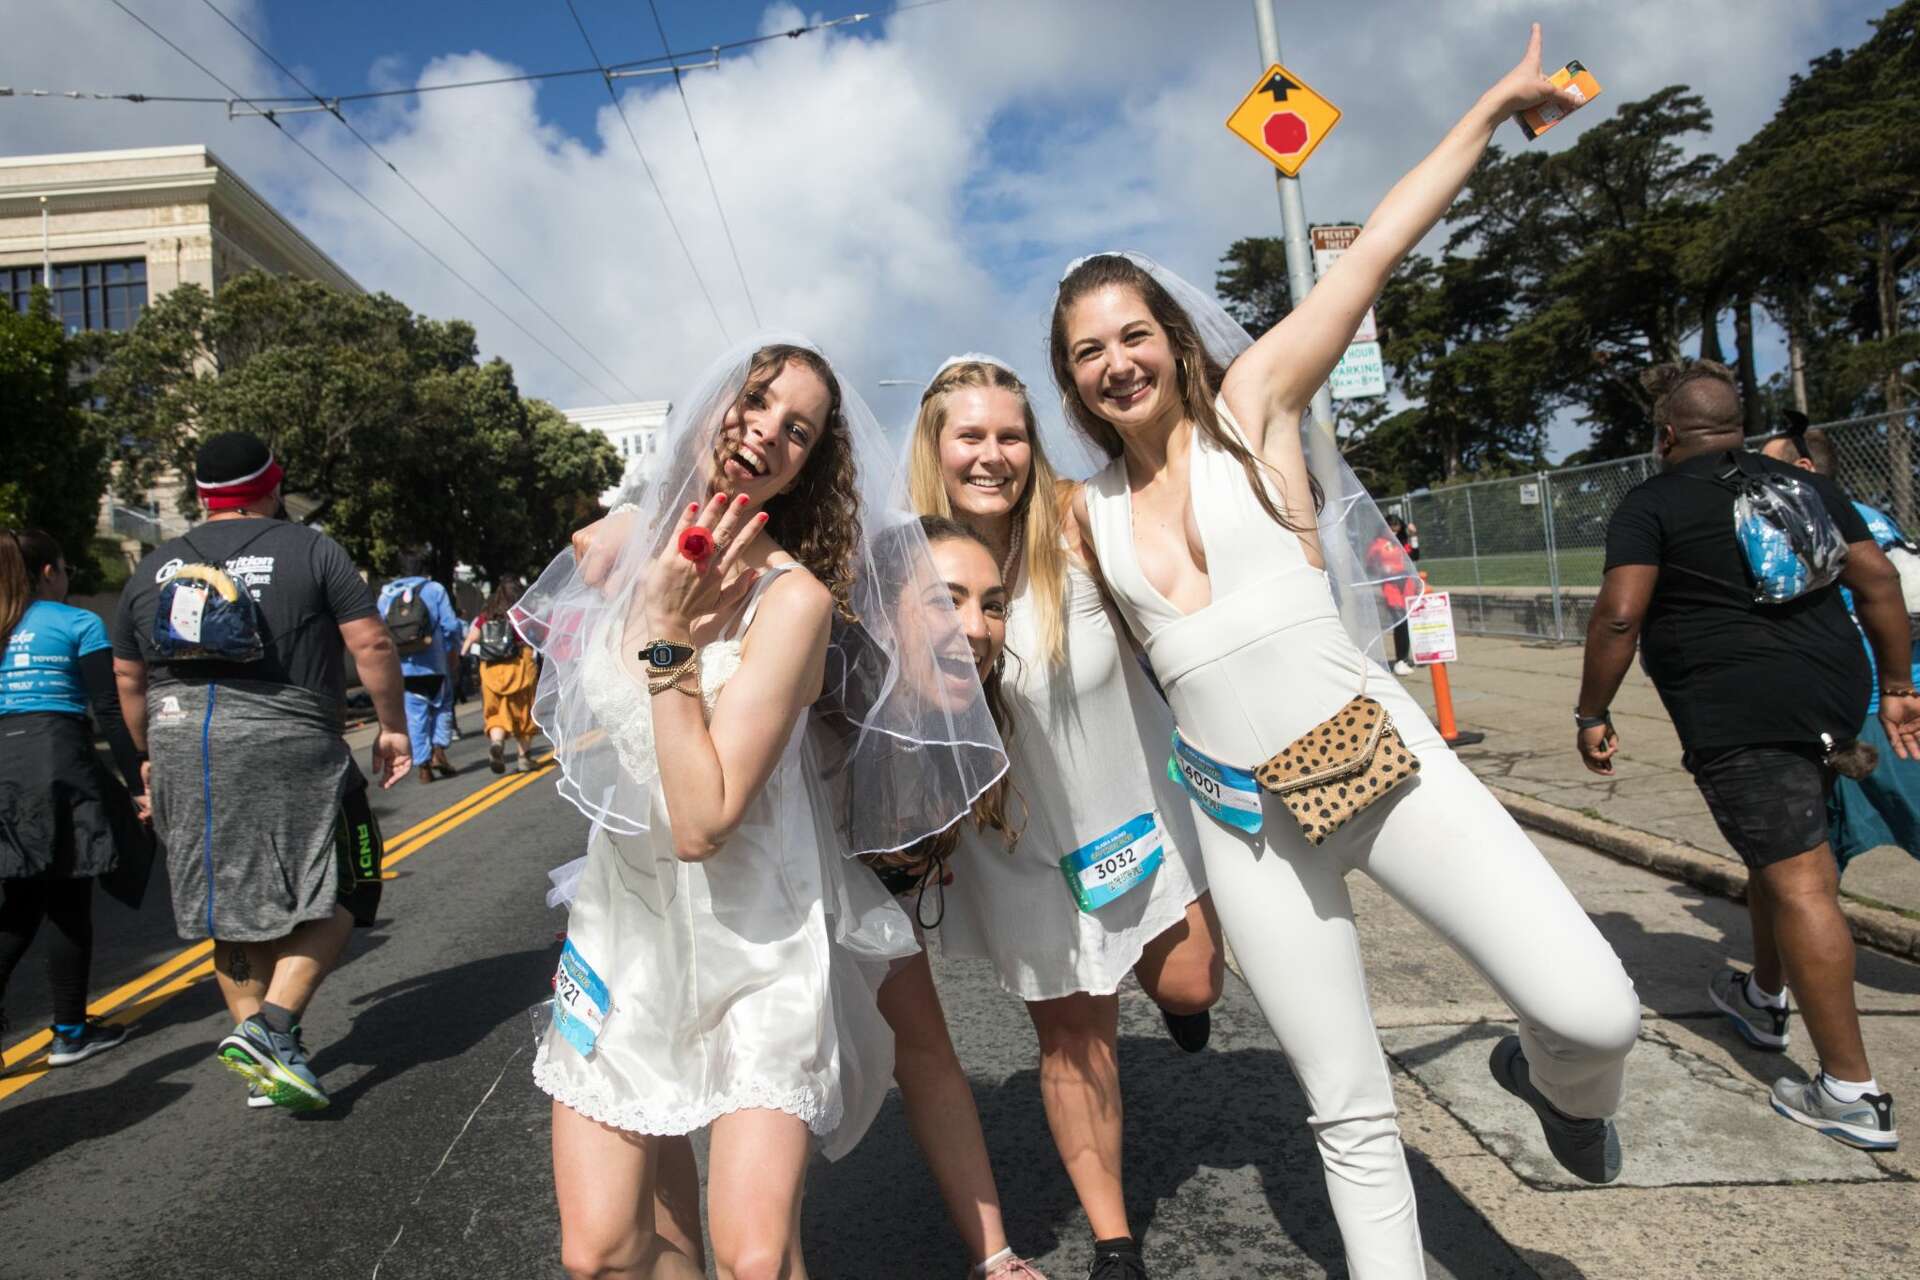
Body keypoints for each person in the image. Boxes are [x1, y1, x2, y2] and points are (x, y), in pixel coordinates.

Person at [1053, 29, 1641, 1276]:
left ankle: (1561, 1088)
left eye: (1130, 334)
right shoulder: (1081, 515)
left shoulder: (1252, 406)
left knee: (1596, 1007)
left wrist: (1488, 109)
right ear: (1072, 380)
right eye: (1086, 351)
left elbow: (1373, 247)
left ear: (1168, 334)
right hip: (1245, 820)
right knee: (1349, 1106)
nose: (1115, 362)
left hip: (1379, 756)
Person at [521, 339, 1005, 1280]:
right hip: (624, 932)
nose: (766, 434)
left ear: (809, 464)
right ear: (707, 408)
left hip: (760, 941)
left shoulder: (794, 601)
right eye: (753, 403)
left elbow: (705, 822)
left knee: (753, 1258)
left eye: (799, 430)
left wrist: (668, 645)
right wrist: (629, 537)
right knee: (596, 1251)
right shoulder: (623, 552)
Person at [909, 355, 1222, 1280]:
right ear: (937, 447)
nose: (994, 455)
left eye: (1011, 435)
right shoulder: (904, 564)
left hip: (1132, 814)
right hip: (1015, 845)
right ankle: (1115, 1240)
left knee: (1193, 987)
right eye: (971, 435)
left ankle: (1175, 993)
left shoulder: (1079, 524)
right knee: (1074, 1039)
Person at [1581, 369, 1908, 1152]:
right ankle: (1763, 996)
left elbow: (1620, 616)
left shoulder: (1651, 502)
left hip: (1738, 708)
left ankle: (1850, 1092)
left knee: (1801, 875)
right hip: (1831, 690)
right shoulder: (1803, 484)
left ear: (1666, 434)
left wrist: (1592, 709)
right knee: (1782, 850)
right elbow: (1879, 579)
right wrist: (1897, 684)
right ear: (1737, 424)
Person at [112, 432, 412, 1111]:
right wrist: (392, 727)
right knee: (345, 885)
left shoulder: (154, 564)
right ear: (273, 484)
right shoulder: (311, 548)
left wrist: (149, 755)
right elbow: (370, 640)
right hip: (288, 735)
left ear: (199, 495)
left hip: (180, 736)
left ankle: (266, 1054)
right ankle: (273, 1032)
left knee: (232, 910)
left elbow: (127, 678)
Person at [0, 529, 147, 1065]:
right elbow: (109, 710)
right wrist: (138, 784)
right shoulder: (78, 623)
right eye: (65, 568)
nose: (67, 577)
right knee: (66, 899)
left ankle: (69, 1028)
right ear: (47, 573)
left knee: (18, 904)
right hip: (56, 761)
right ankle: (68, 1032)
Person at [1761, 426, 1920, 874]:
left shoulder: (1838, 523)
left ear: (1803, 470)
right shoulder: (1843, 520)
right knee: (1810, 861)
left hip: (1879, 715)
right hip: (1834, 714)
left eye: (1767, 466)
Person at [378, 557, 463, 784]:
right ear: (424, 571)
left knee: (415, 716)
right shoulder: (434, 589)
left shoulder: (387, 594)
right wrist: (452, 651)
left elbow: (378, 632)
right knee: (443, 708)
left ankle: (423, 766)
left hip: (403, 669)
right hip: (435, 664)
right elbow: (451, 625)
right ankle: (439, 751)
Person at [461, 576, 540, 774]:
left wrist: (463, 657)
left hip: (491, 670)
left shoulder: (486, 615)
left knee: (496, 713)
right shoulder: (521, 613)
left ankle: (497, 743)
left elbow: (472, 639)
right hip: (519, 665)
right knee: (524, 712)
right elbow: (538, 635)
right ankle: (524, 758)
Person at [1371, 515, 1422, 675]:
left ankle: (1407, 657)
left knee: (1408, 620)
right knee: (1400, 620)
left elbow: (1414, 555)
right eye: (1391, 526)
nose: (1394, 530)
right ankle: (1401, 660)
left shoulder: (1401, 543)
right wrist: (1381, 570)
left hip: (1407, 584)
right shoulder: (1377, 544)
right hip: (1390, 586)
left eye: (1397, 526)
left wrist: (1413, 535)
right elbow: (1369, 565)